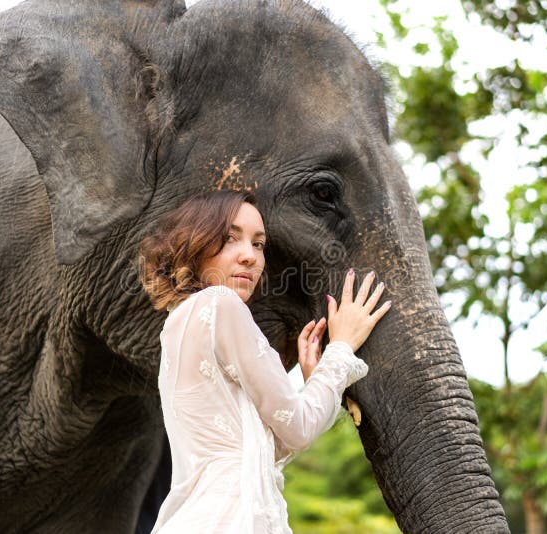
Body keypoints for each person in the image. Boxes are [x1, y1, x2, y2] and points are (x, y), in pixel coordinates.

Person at [138, 189, 391, 533]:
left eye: (258, 244)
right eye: (230, 238)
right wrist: (342, 348)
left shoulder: (176, 324)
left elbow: (266, 449)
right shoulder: (221, 304)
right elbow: (299, 429)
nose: (249, 257)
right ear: (195, 245)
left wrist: (315, 382)